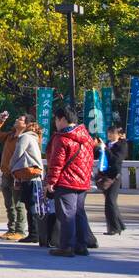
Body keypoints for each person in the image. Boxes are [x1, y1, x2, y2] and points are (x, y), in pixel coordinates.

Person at [45, 104, 94, 257]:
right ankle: (81, 245)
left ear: (63, 119)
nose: (55, 123)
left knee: (66, 215)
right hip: (82, 182)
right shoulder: (86, 138)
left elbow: (56, 163)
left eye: (56, 119)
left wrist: (51, 182)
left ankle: (66, 247)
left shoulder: (62, 138)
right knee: (79, 214)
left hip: (66, 181)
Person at [0, 111, 29, 241]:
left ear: (26, 124)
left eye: (20, 118)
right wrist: (0, 121)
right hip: (6, 173)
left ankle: (20, 230)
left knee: (18, 204)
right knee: (9, 204)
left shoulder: (27, 137)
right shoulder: (10, 135)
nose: (17, 119)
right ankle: (11, 229)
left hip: (17, 174)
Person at [11, 121, 44, 243]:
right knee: (34, 205)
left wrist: (11, 166)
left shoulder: (25, 137)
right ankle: (38, 233)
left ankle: (33, 233)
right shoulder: (35, 139)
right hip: (36, 176)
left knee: (30, 206)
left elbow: (18, 153)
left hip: (28, 176)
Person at [100, 126, 127, 235]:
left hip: (115, 177)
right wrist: (99, 147)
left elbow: (116, 159)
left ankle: (114, 228)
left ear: (119, 135)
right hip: (106, 177)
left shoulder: (122, 145)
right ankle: (119, 225)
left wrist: (105, 149)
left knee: (110, 202)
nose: (110, 134)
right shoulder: (107, 144)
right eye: (109, 132)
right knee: (111, 202)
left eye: (112, 132)